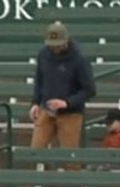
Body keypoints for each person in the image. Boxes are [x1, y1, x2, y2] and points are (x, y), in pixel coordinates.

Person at [30, 21, 96, 150]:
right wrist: (35, 102)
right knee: (35, 150)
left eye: (58, 46)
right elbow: (39, 79)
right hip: (46, 109)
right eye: (52, 46)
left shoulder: (79, 59)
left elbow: (89, 90)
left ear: (66, 41)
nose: (55, 49)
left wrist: (67, 103)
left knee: (69, 155)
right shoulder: (43, 55)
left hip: (71, 113)